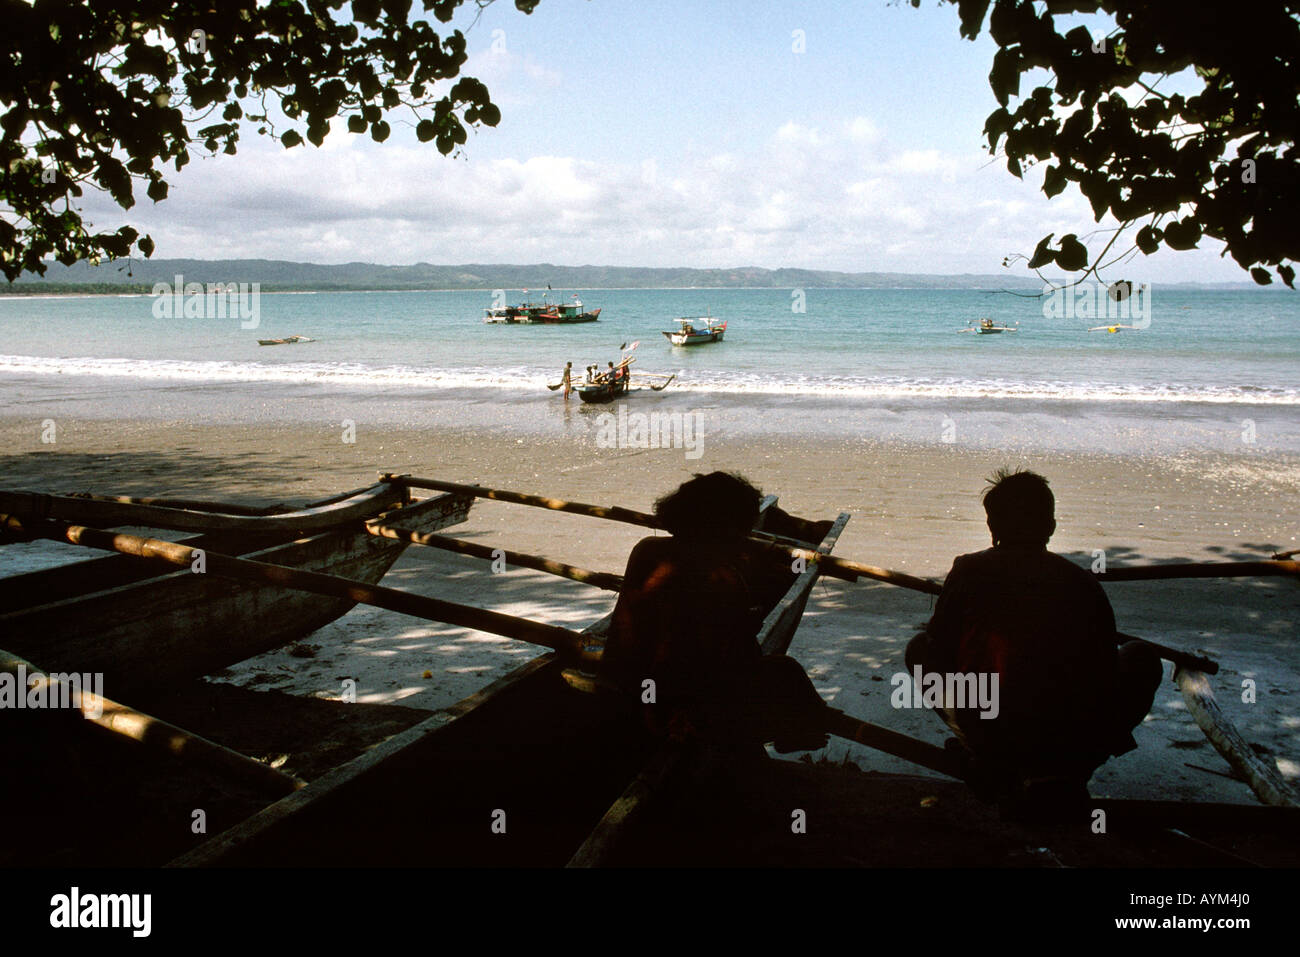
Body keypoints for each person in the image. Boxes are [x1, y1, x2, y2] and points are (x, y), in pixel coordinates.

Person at [907, 469, 1162, 808]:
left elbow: (940, 642)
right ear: (1051, 526)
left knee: (919, 650)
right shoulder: (1080, 582)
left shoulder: (968, 569)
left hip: (991, 721)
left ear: (992, 527)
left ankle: (983, 750)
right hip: (1069, 733)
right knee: (1141, 657)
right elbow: (1102, 662)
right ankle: (1074, 768)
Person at [600, 472, 828, 753]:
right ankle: (798, 733)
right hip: (674, 695)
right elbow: (727, 641)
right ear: (734, 526)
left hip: (629, 678)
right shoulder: (720, 571)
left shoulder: (647, 548)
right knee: (784, 670)